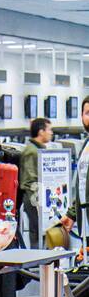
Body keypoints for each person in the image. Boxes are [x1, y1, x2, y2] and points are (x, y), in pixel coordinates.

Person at [20, 118, 53, 248]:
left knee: (43, 230)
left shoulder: (38, 150)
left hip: (40, 195)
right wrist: (39, 202)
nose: (51, 133)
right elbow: (29, 180)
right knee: (37, 231)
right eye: (49, 129)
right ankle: (37, 263)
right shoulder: (31, 151)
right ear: (41, 131)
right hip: (34, 196)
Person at [60, 96, 89, 237]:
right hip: (85, 221)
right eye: (87, 113)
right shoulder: (86, 145)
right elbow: (82, 185)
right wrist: (72, 214)